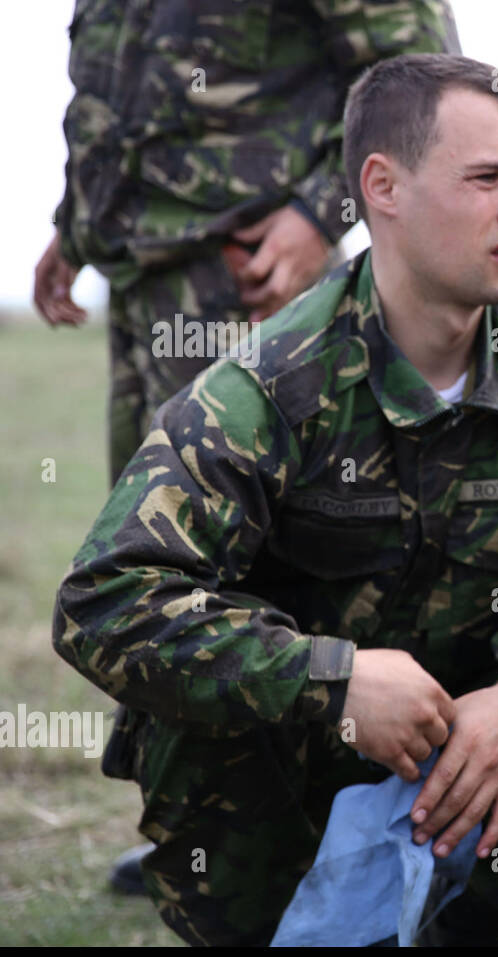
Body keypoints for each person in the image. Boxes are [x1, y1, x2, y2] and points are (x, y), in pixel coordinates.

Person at [51, 53, 498, 947]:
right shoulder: (270, 386)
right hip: (292, 758)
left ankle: (472, 920)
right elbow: (107, 600)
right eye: (487, 179)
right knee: (208, 774)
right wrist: (336, 678)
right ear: (383, 188)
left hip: (476, 751)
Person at [34, 0, 462, 896]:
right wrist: (76, 226)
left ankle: (310, 841)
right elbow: (119, 89)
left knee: (271, 560)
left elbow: (427, 81)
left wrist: (321, 213)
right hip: (144, 278)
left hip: (247, 276)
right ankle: (199, 834)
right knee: (158, 562)